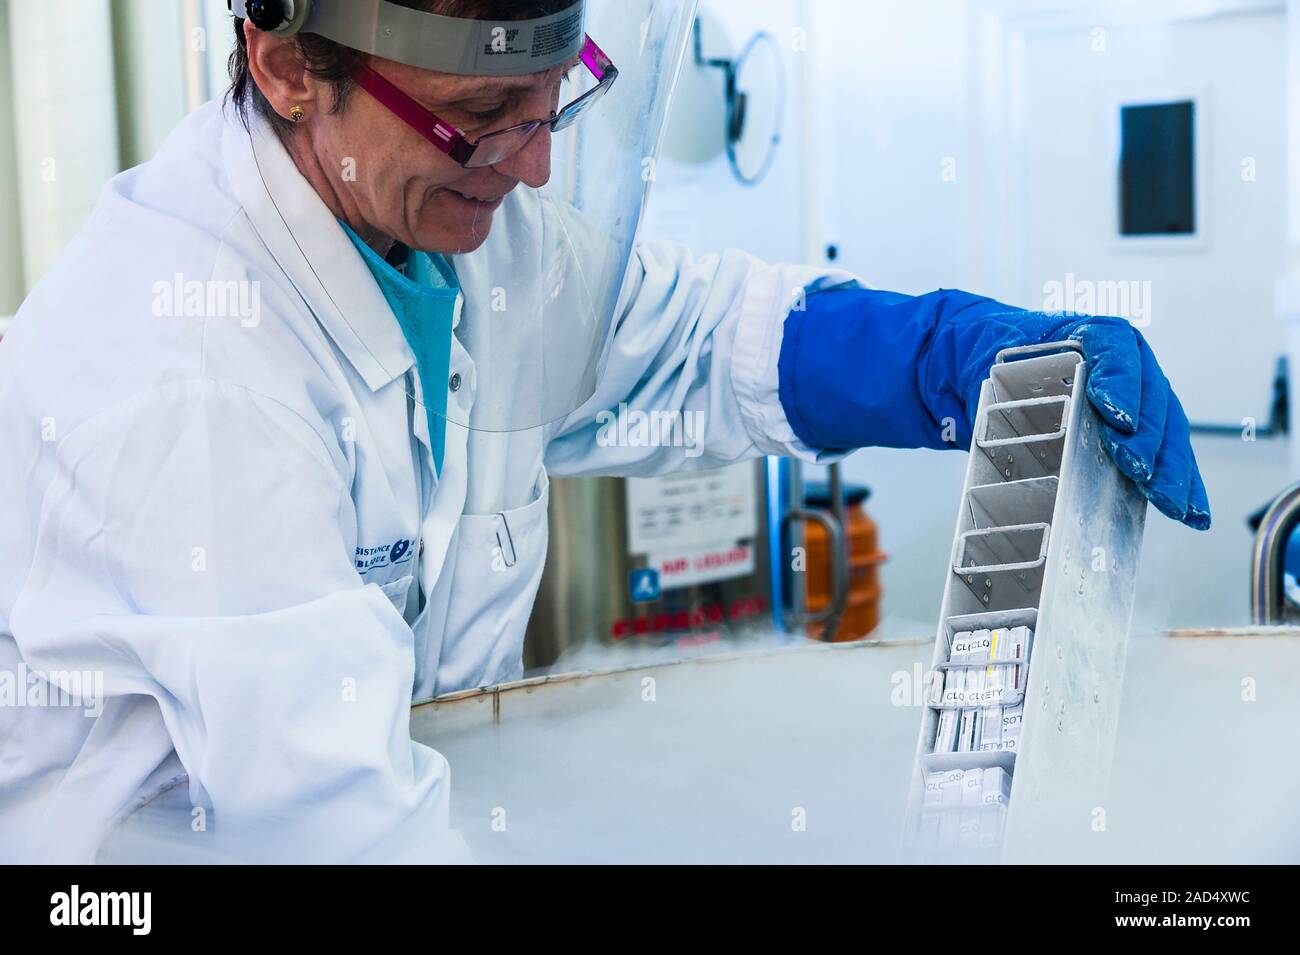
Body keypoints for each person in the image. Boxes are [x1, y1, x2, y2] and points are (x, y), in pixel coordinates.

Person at [0, 0, 1208, 862]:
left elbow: (689, 337)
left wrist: (940, 354)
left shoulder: (448, 228)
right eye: (484, 116)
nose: (531, 170)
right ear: (284, 66)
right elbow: (335, 826)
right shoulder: (187, 368)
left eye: (554, 102)